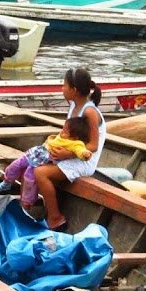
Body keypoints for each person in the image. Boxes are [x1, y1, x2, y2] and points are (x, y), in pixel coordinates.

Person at [32, 68, 105, 232]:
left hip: (84, 159)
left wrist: (67, 153)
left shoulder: (90, 112)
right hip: (71, 154)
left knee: (40, 173)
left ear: (74, 90)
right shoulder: (74, 105)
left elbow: (93, 146)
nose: (62, 89)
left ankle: (55, 217)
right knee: (31, 163)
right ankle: (38, 208)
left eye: (64, 85)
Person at [0, 117, 92, 208]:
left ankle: (27, 202)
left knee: (29, 179)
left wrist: (85, 154)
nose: (61, 132)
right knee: (15, 165)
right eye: (63, 128)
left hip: (41, 161)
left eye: (65, 131)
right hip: (34, 153)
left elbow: (80, 151)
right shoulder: (62, 136)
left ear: (75, 137)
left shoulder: (76, 144)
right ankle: (7, 181)